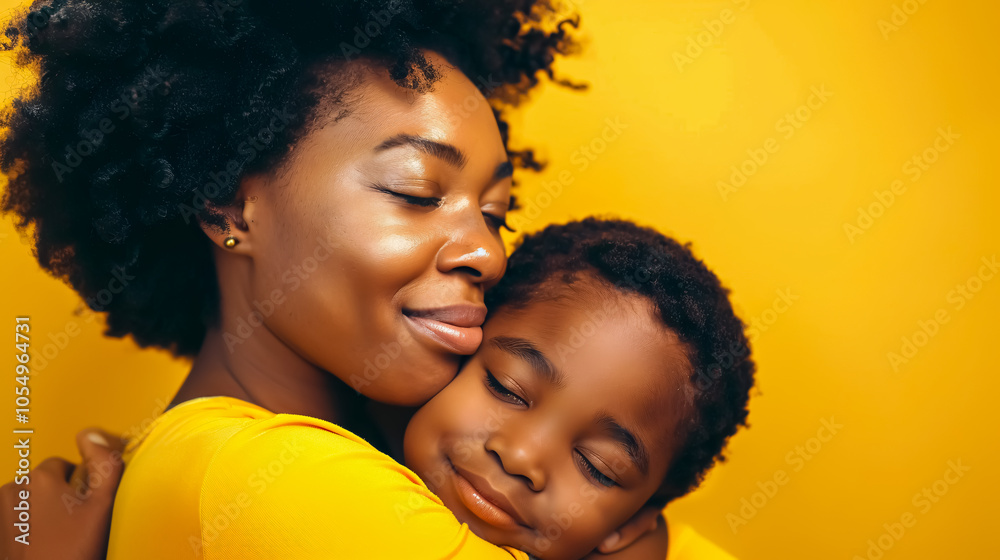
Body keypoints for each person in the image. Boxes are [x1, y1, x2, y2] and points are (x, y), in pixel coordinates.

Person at [106, 218, 752, 560]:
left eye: (597, 466)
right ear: (459, 339)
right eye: (506, 387)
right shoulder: (312, 469)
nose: (521, 457)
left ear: (630, 526)